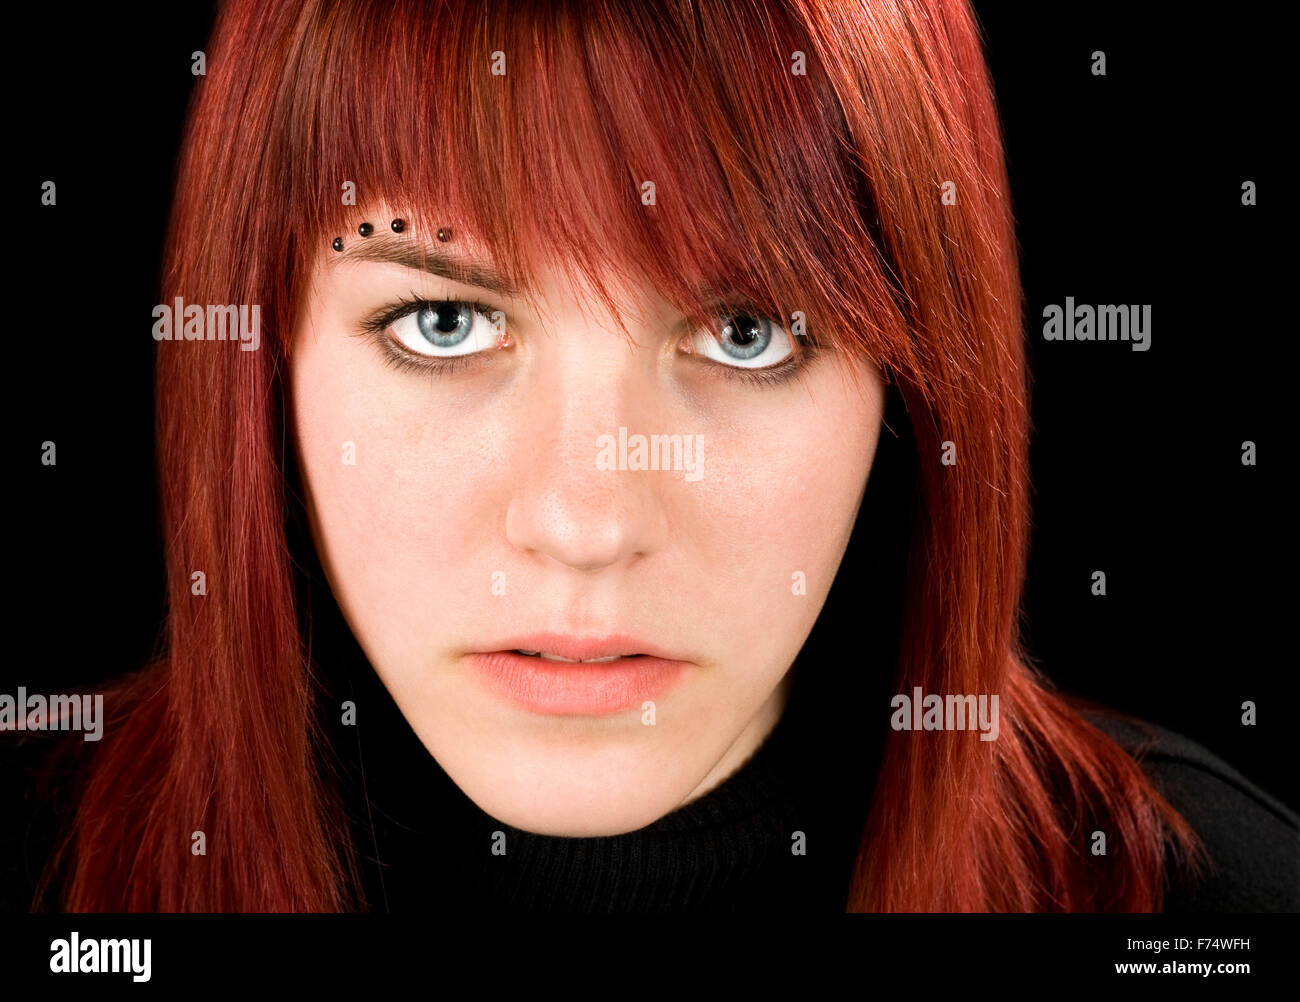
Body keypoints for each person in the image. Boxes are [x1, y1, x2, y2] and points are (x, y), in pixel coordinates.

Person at [4, 0, 1296, 913]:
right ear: (261, 351)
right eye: (442, 323)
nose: (582, 521)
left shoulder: (1204, 896)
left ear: (912, 386)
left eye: (744, 333)